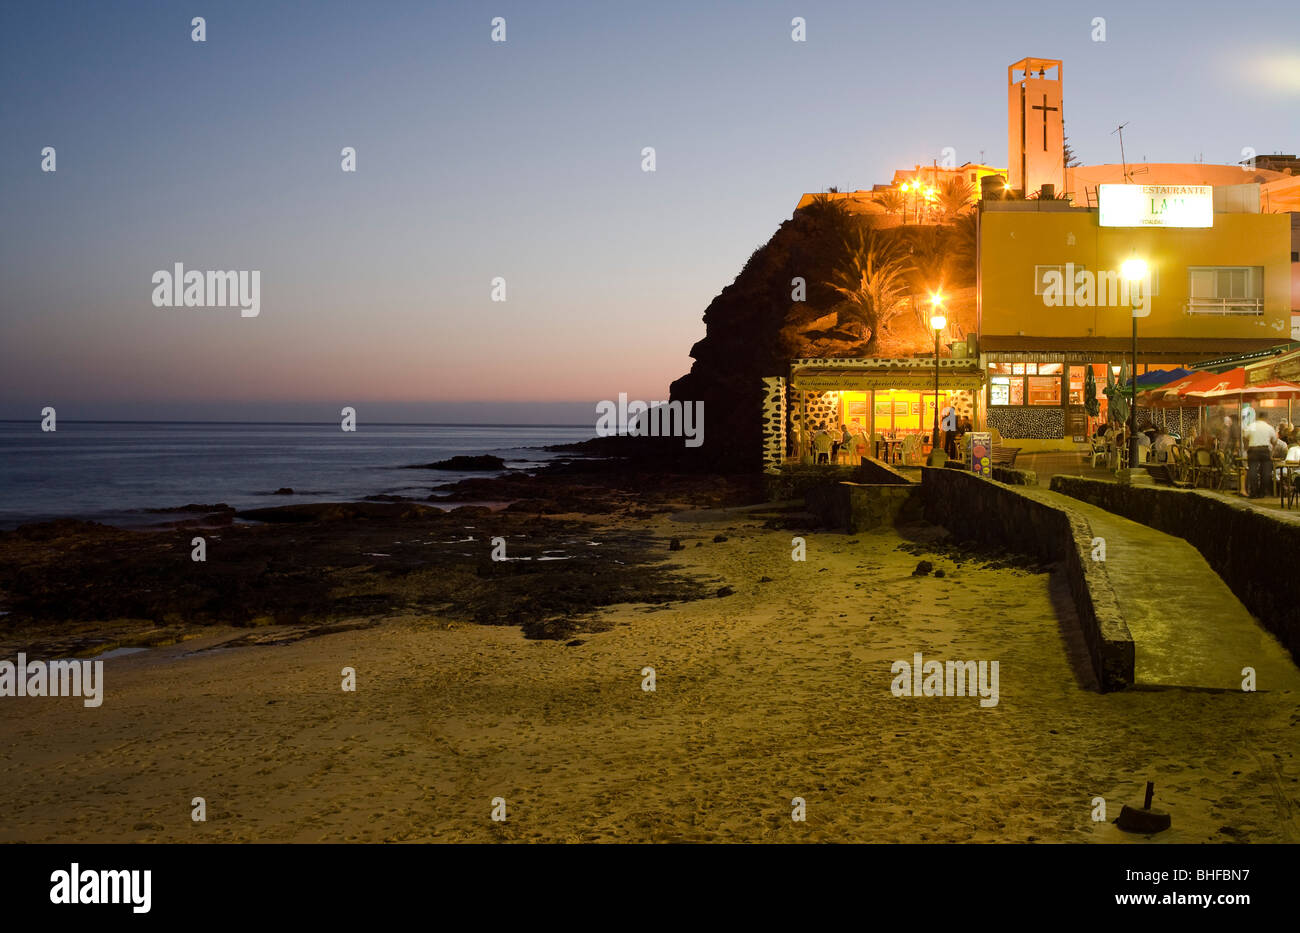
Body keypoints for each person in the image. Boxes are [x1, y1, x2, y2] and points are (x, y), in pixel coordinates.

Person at [1244, 413, 1278, 497]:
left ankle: (1254, 492)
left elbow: (1245, 436)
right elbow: (1274, 440)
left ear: (1258, 418)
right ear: (1266, 418)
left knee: (1252, 471)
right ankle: (1262, 492)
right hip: (1265, 450)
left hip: (1253, 449)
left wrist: (1247, 446)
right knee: (1266, 472)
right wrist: (1272, 450)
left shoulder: (1252, 426)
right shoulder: (1269, 427)